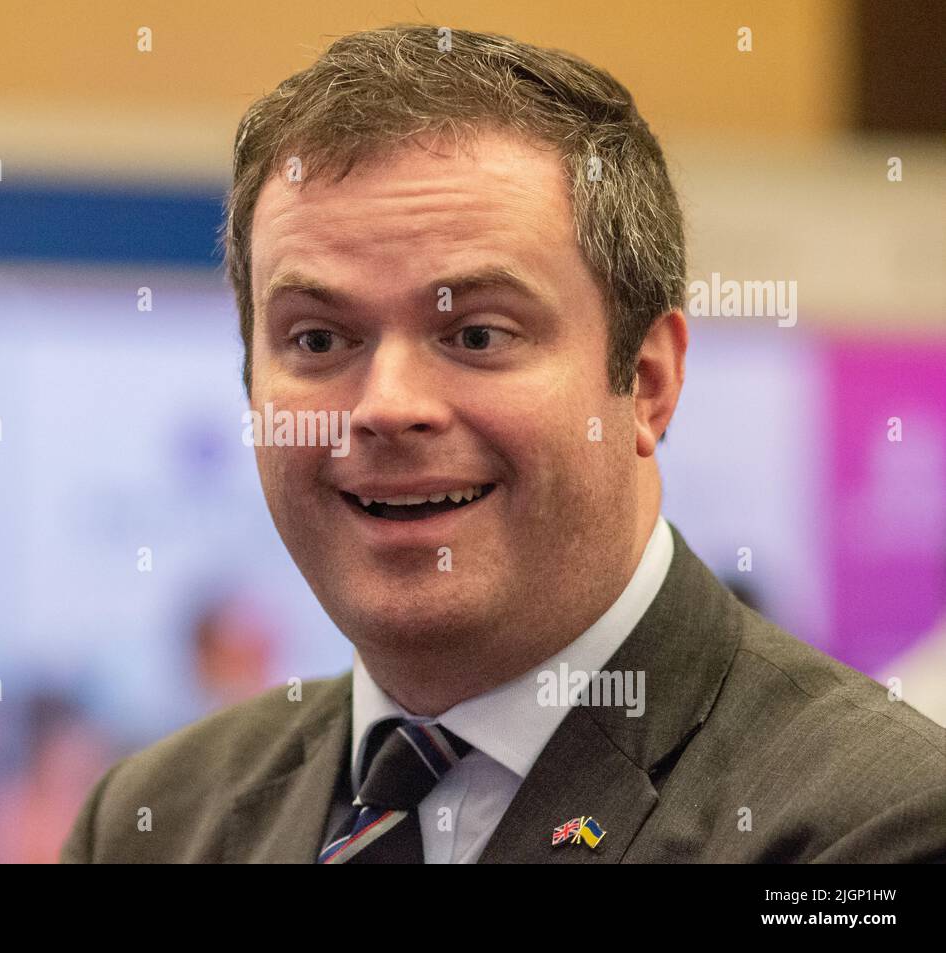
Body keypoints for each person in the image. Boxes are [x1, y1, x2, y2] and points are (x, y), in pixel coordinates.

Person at [62, 24, 946, 863]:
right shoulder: (153, 822)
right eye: (319, 339)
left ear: (647, 380)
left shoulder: (876, 826)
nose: (388, 407)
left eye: (477, 334)